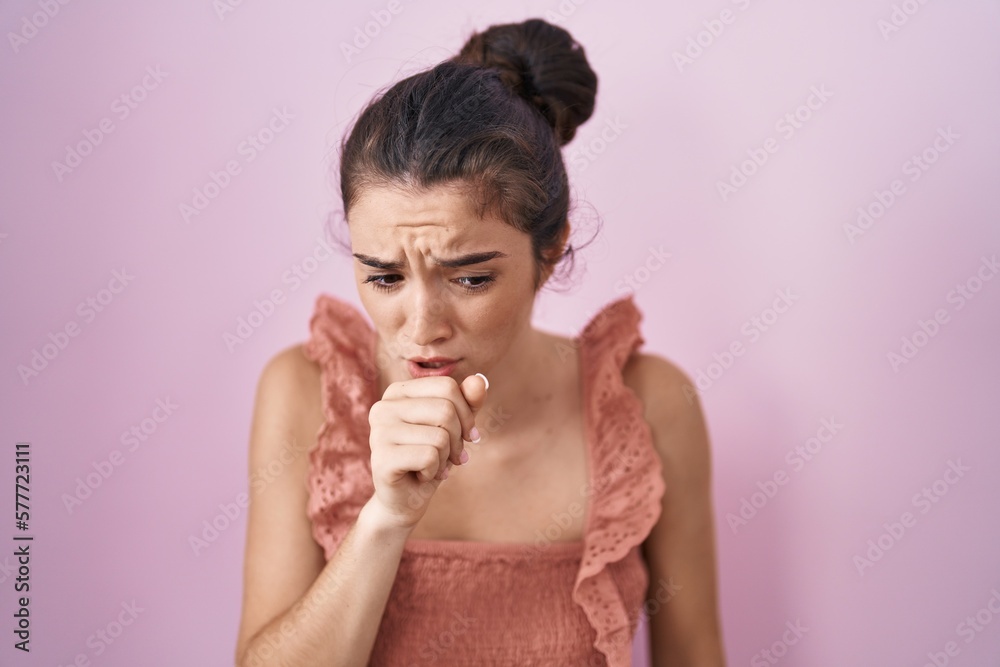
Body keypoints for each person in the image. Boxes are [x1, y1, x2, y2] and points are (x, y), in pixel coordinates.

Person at [234, 17, 726, 667]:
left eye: (469, 276)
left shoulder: (651, 404)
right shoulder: (305, 394)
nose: (421, 323)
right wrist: (385, 517)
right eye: (384, 275)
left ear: (549, 251)